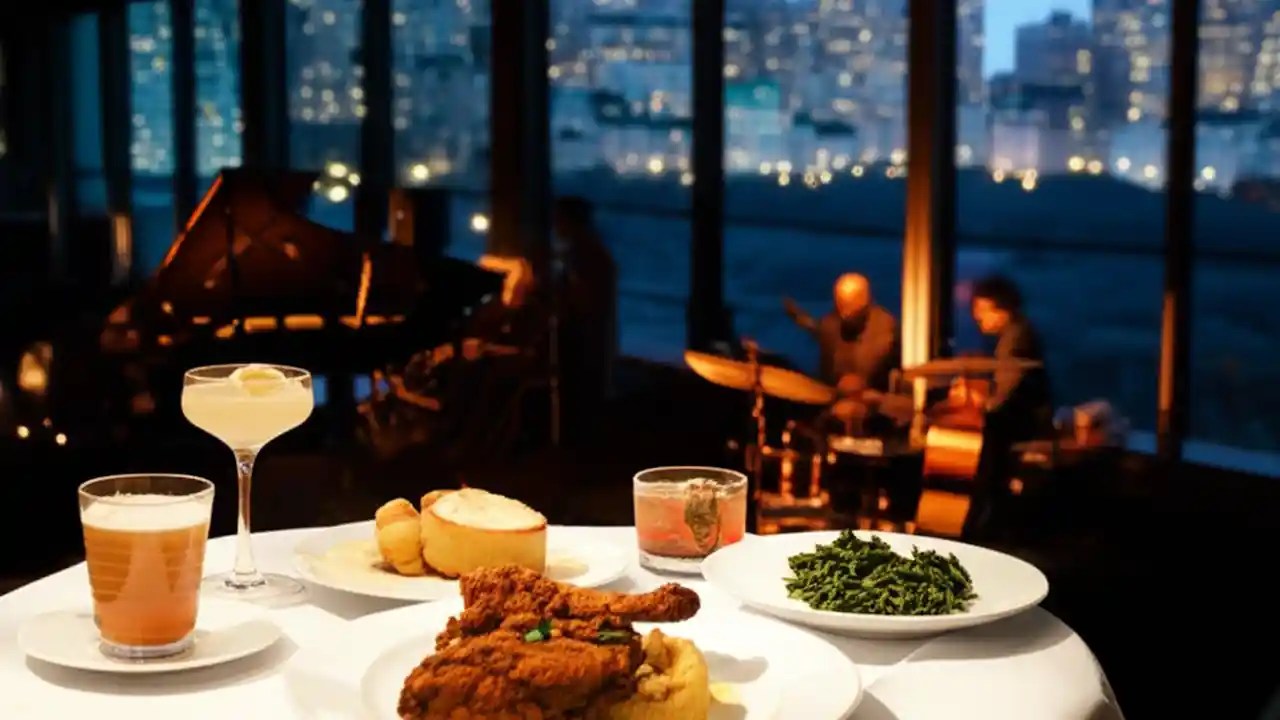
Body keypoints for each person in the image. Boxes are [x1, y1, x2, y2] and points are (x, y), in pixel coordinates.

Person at [959, 275, 1053, 541]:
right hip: (1021, 418)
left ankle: (978, 526)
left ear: (1000, 309)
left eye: (981, 310)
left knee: (986, 454)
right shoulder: (1014, 334)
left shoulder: (1016, 339)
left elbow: (1005, 392)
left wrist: (981, 405)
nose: (977, 317)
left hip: (1022, 423)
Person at [552, 196, 618, 443]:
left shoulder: (582, 256)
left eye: (558, 219)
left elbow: (580, 302)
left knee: (582, 395)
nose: (554, 225)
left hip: (585, 340)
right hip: (592, 338)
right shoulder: (592, 252)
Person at [784, 273, 899, 393]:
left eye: (851, 307)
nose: (845, 314)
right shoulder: (831, 323)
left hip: (872, 400)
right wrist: (799, 317)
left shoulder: (885, 326)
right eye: (841, 306)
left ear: (866, 301)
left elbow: (881, 367)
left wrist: (861, 382)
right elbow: (819, 329)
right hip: (833, 397)